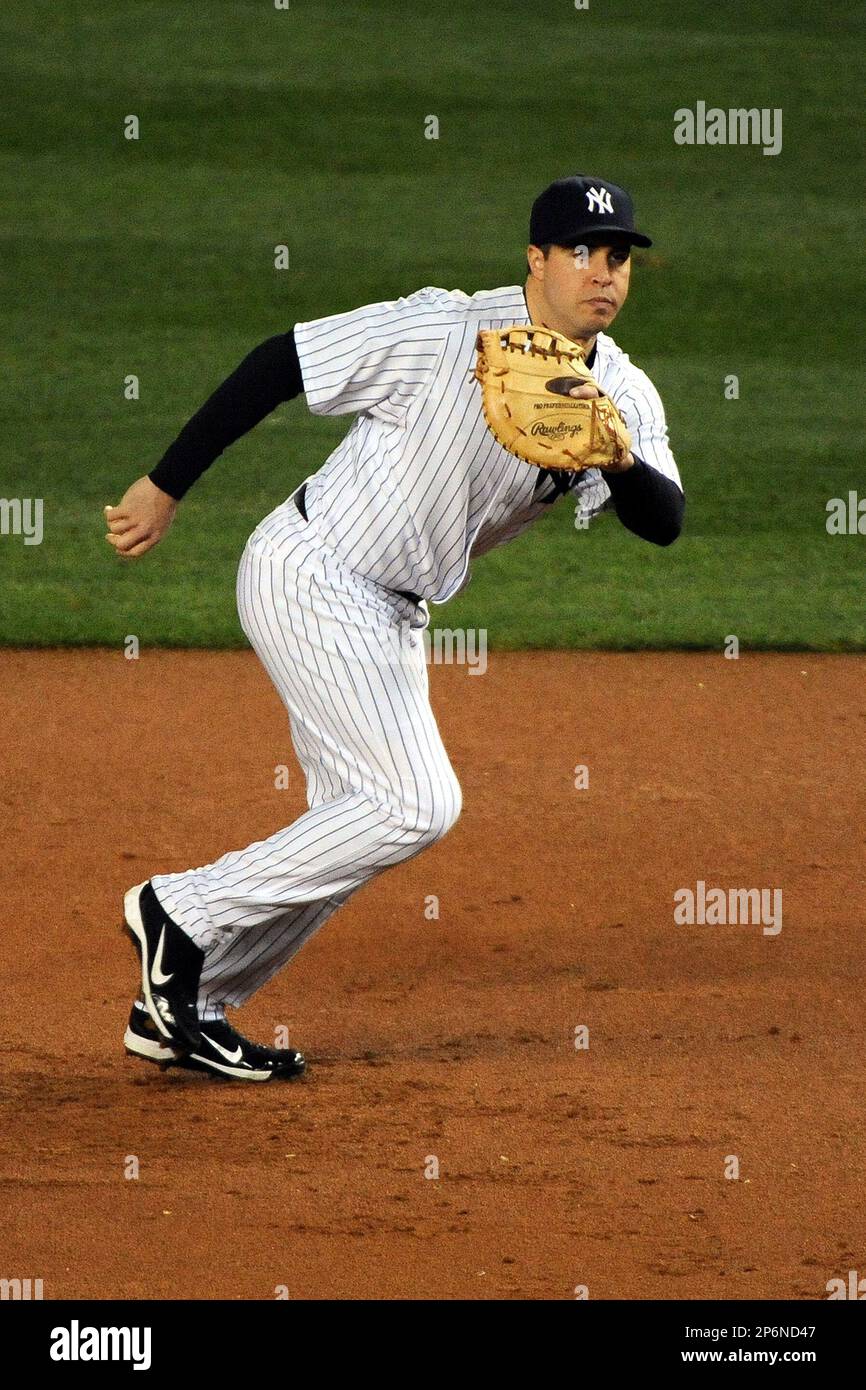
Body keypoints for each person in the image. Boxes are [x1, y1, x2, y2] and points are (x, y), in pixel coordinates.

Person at [105, 174, 684, 1081]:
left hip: (394, 611)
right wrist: (164, 487)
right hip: (313, 570)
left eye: (616, 256)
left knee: (350, 824)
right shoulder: (445, 329)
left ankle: (188, 1001)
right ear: (536, 260)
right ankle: (180, 910)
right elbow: (278, 362)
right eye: (580, 251)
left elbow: (665, 520)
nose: (602, 272)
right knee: (414, 805)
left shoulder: (621, 393)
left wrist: (613, 449)